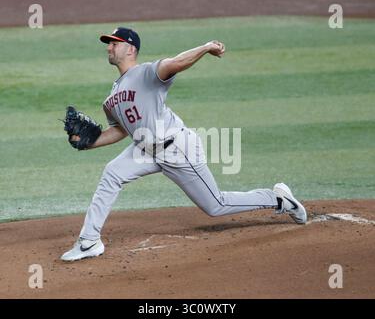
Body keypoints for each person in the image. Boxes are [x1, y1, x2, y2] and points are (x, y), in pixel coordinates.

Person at [61, 27, 307, 261]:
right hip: (144, 149)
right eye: (109, 44)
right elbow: (119, 131)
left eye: (114, 43)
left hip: (177, 148)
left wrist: (206, 47)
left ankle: (280, 199)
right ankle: (89, 241)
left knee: (216, 205)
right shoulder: (112, 97)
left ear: (130, 49)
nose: (109, 48)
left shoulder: (147, 73)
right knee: (112, 173)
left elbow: (176, 62)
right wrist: (87, 144)